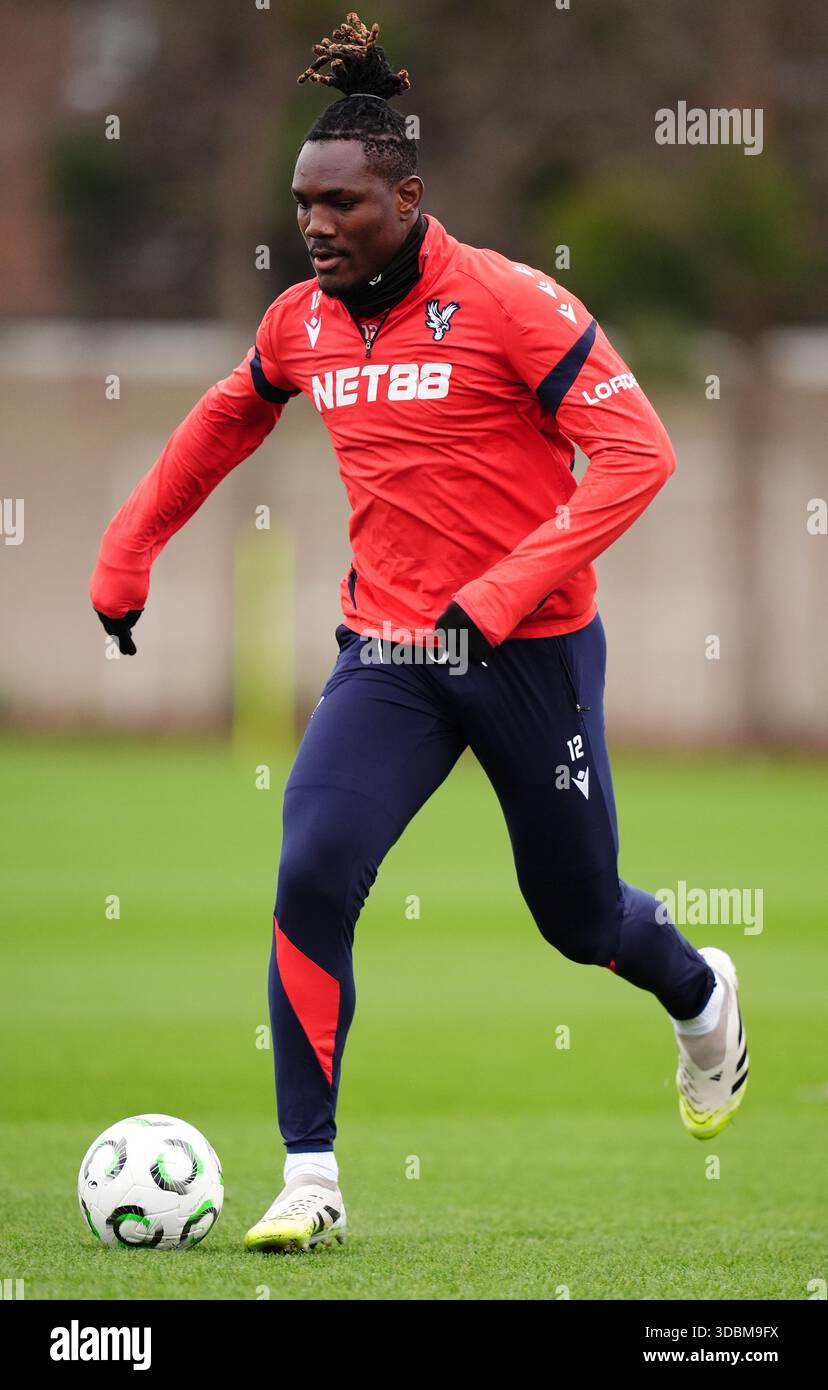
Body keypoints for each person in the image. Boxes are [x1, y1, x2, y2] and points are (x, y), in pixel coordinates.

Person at [89, 12, 749, 1254]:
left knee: (580, 921)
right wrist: (128, 555)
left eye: (343, 204)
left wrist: (499, 595)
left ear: (409, 194)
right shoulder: (303, 323)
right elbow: (224, 422)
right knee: (311, 869)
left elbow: (638, 456)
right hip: (388, 653)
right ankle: (310, 1176)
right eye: (303, 207)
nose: (319, 228)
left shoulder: (511, 302)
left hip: (530, 654)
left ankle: (703, 992)